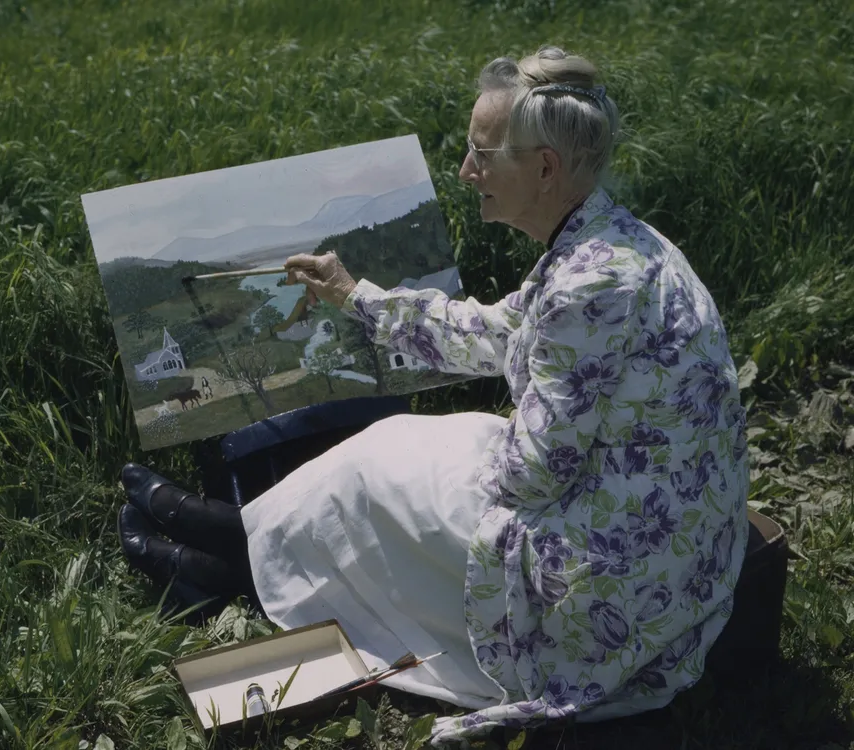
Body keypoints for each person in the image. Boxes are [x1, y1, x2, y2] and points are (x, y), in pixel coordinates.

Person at [116, 44, 749, 746]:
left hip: (617, 597)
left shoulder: (590, 288)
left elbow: (534, 475)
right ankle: (238, 546)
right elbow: (495, 333)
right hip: (670, 551)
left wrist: (431, 471)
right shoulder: (613, 244)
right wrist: (354, 294)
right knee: (406, 453)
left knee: (381, 473)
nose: (465, 171)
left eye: (483, 154)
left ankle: (232, 554)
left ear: (544, 169)